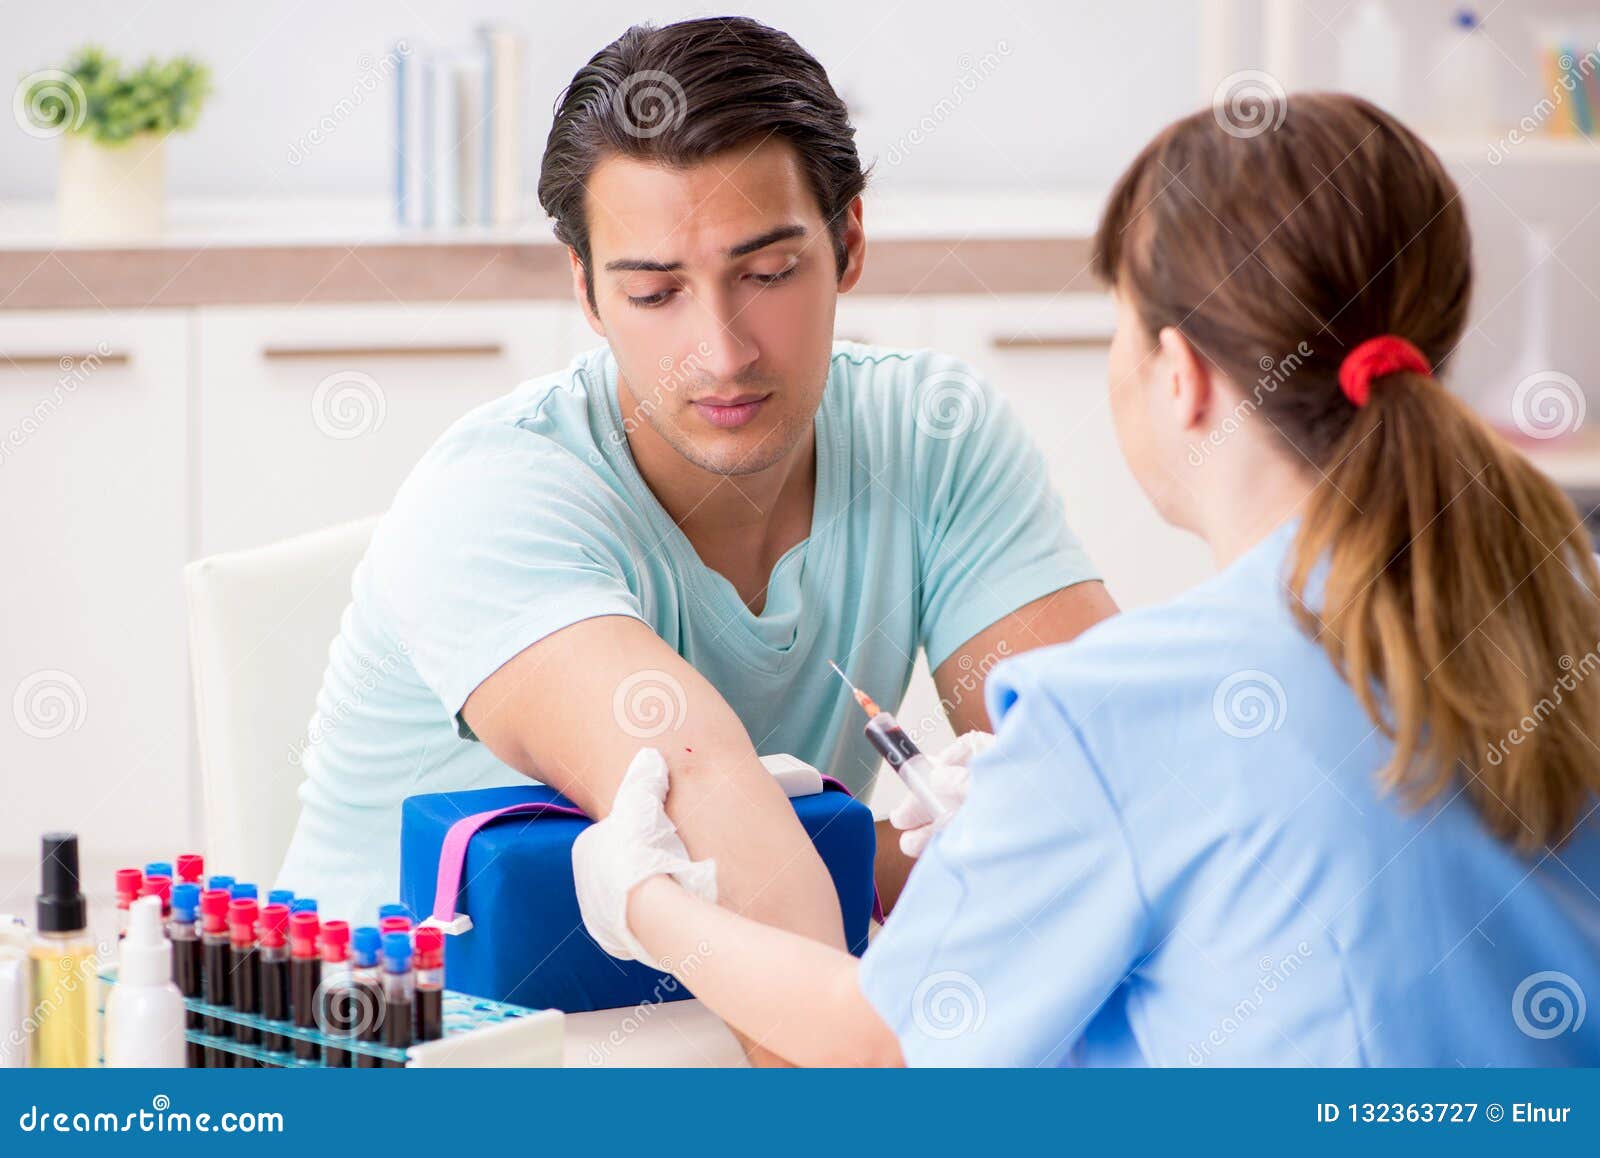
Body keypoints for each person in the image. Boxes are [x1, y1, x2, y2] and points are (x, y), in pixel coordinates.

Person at [571, 92, 1600, 1067]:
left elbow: (885, 1047)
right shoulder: (1556, 609)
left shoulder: (1132, 706)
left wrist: (652, 904)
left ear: (1179, 374)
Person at [274, 17, 1115, 1064]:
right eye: (655, 293)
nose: (720, 352)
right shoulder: (494, 502)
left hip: (699, 1020)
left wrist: (1011, 835)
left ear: (848, 242)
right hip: (419, 1057)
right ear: (585, 290)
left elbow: (1116, 791)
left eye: (765, 273)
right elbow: (744, 866)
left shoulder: (933, 437)